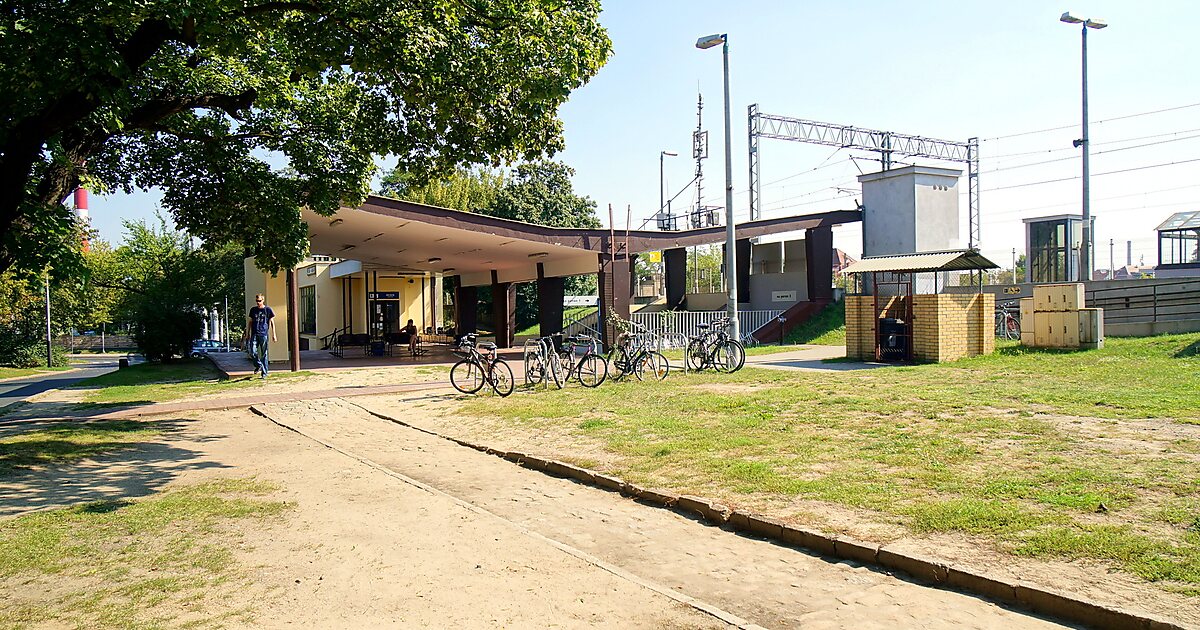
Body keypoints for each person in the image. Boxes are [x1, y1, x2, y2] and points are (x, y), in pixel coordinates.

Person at [244, 294, 277, 379]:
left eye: (259, 301)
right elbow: (250, 322)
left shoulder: (268, 310)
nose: (258, 303)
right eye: (257, 301)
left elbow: (272, 322)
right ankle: (258, 365)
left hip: (263, 334)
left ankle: (264, 373)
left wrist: (274, 334)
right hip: (254, 334)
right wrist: (247, 333)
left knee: (264, 353)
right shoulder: (253, 310)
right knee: (252, 351)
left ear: (263, 300)